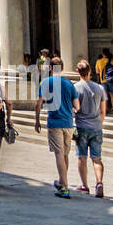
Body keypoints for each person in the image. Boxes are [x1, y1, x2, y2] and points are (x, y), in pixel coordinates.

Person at [35, 57, 78, 198]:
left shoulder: (46, 82)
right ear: (63, 68)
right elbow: (77, 105)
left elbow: (38, 103)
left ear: (50, 68)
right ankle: (61, 182)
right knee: (65, 154)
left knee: (59, 154)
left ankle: (64, 187)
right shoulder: (69, 84)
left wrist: (37, 121)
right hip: (68, 123)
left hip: (55, 122)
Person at [73, 59, 107, 197]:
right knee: (96, 158)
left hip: (81, 126)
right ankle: (99, 183)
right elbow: (103, 111)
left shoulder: (75, 88)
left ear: (78, 72)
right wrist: (99, 122)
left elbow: (74, 108)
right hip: (96, 126)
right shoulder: (100, 88)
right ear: (90, 71)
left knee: (82, 157)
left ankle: (85, 186)